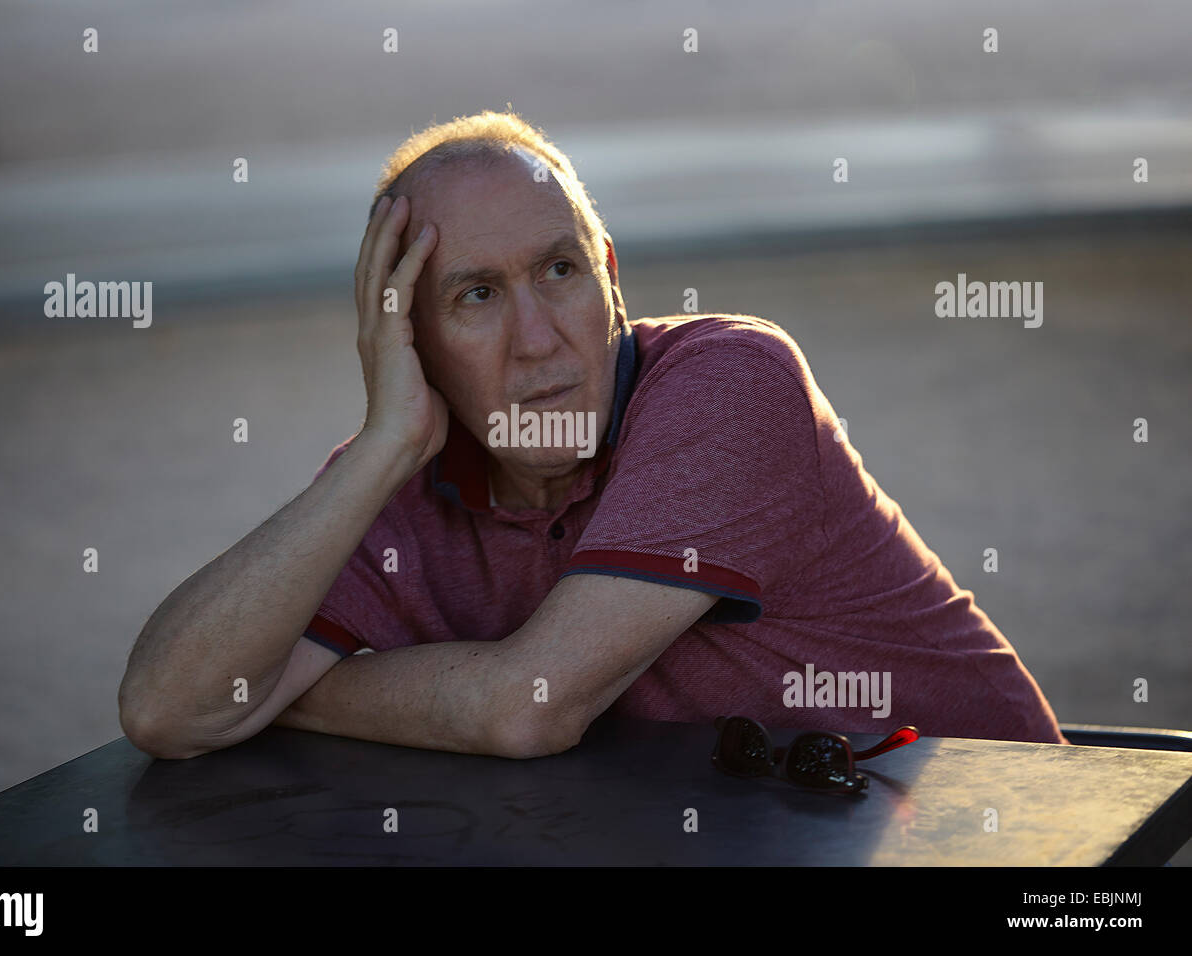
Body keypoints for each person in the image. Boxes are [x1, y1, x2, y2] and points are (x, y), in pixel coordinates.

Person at [118, 109, 1068, 761]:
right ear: (405, 336)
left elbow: (527, 709)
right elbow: (167, 710)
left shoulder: (728, 382)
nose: (539, 341)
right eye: (477, 296)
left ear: (612, 276)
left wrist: (284, 702)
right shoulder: (396, 481)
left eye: (560, 271)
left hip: (1010, 841)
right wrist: (376, 451)